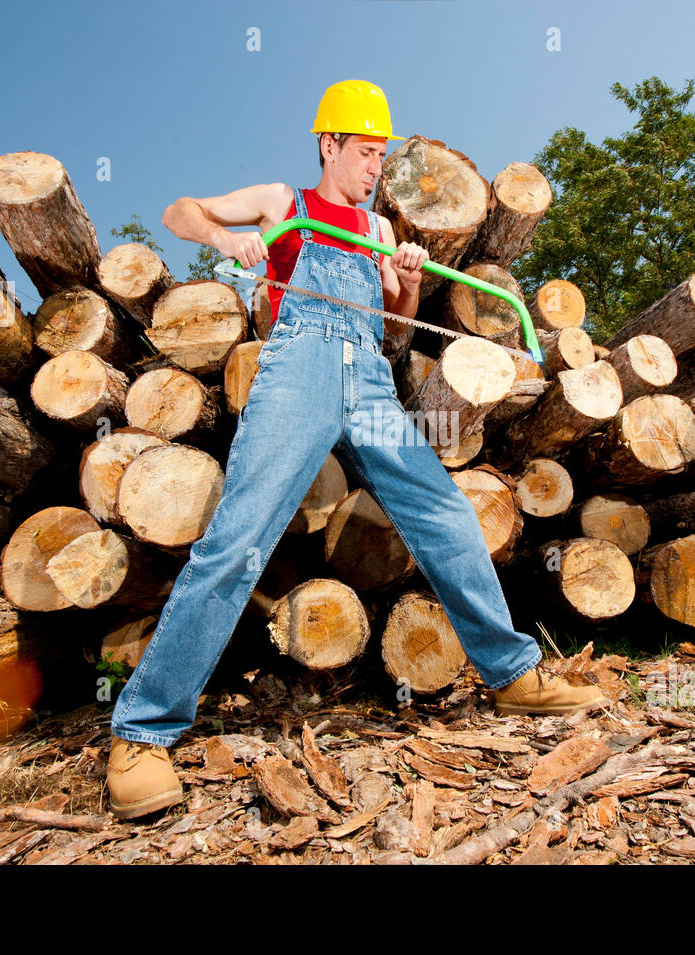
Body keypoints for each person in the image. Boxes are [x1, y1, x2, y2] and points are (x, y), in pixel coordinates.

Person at [106, 79, 606, 820]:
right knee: (240, 536)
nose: (374, 167)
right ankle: (143, 730)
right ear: (328, 144)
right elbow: (182, 210)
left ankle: (513, 674)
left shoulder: (375, 232)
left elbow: (396, 331)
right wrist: (224, 237)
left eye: (381, 155)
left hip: (367, 378)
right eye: (365, 152)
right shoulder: (285, 202)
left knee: (444, 512)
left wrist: (402, 285)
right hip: (299, 370)